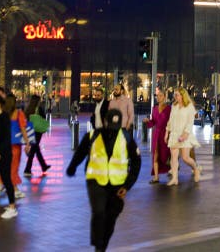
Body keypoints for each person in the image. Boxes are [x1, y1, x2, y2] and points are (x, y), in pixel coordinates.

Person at [66, 109, 141, 252]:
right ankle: (98, 246)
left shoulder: (126, 138)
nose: (113, 130)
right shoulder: (93, 135)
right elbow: (80, 152)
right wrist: (72, 167)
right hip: (95, 180)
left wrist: (127, 185)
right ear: (105, 122)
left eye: (116, 127)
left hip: (117, 185)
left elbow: (137, 162)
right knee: (99, 212)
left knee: (111, 218)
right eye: (110, 126)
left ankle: (102, 246)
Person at [164, 88, 201, 185]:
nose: (175, 96)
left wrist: (185, 134)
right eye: (175, 95)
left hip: (185, 135)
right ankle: (174, 178)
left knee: (185, 158)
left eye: (177, 95)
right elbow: (170, 120)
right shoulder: (174, 106)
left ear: (182, 95)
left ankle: (196, 168)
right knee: (174, 157)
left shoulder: (189, 106)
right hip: (174, 134)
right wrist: (167, 132)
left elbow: (190, 122)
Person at [5, 93, 30, 199]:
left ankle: (9, 187)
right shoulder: (19, 113)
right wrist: (27, 142)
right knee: (14, 167)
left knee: (7, 167)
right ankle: (14, 189)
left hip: (4, 144)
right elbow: (23, 129)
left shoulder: (3, 113)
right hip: (15, 145)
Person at [143, 88, 171, 184]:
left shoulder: (168, 108)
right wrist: (148, 121)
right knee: (155, 155)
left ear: (165, 97)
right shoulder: (154, 108)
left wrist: (169, 134)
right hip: (156, 134)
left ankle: (173, 168)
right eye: (157, 96)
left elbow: (171, 122)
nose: (158, 97)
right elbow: (153, 122)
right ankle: (156, 177)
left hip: (165, 134)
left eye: (160, 96)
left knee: (165, 155)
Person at [23, 95, 51, 177]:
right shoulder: (39, 109)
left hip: (30, 130)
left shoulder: (28, 109)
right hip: (38, 131)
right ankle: (27, 169)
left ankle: (44, 166)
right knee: (34, 149)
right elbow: (44, 117)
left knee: (36, 148)